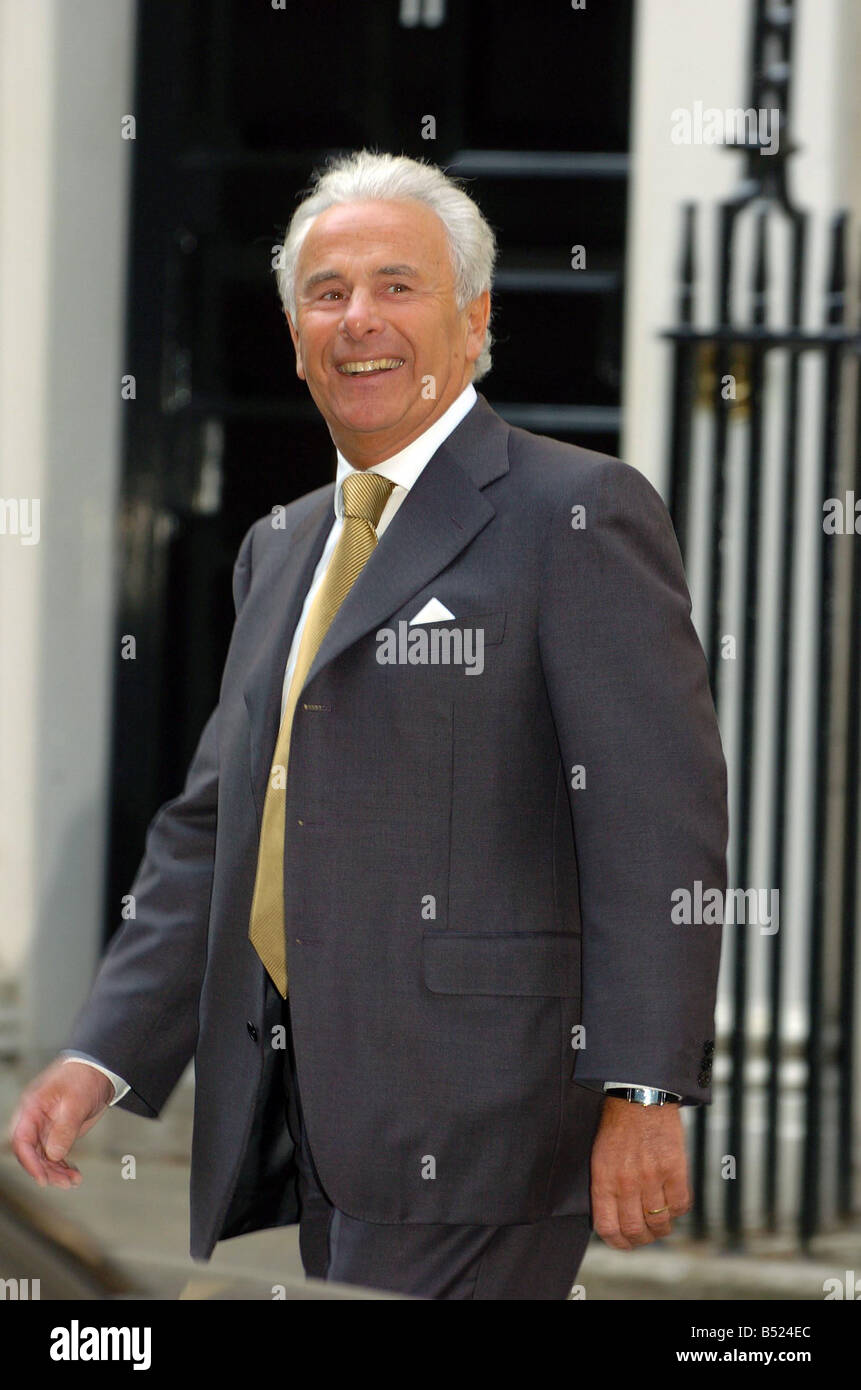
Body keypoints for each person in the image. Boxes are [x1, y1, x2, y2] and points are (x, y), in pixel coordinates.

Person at [10, 150, 727, 1300]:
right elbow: (213, 832)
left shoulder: (576, 512)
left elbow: (657, 826)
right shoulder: (281, 544)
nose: (360, 320)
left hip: (488, 1118)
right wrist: (104, 1053)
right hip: (313, 1121)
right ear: (295, 334)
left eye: (399, 285)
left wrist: (646, 1088)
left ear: (474, 317)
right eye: (328, 291)